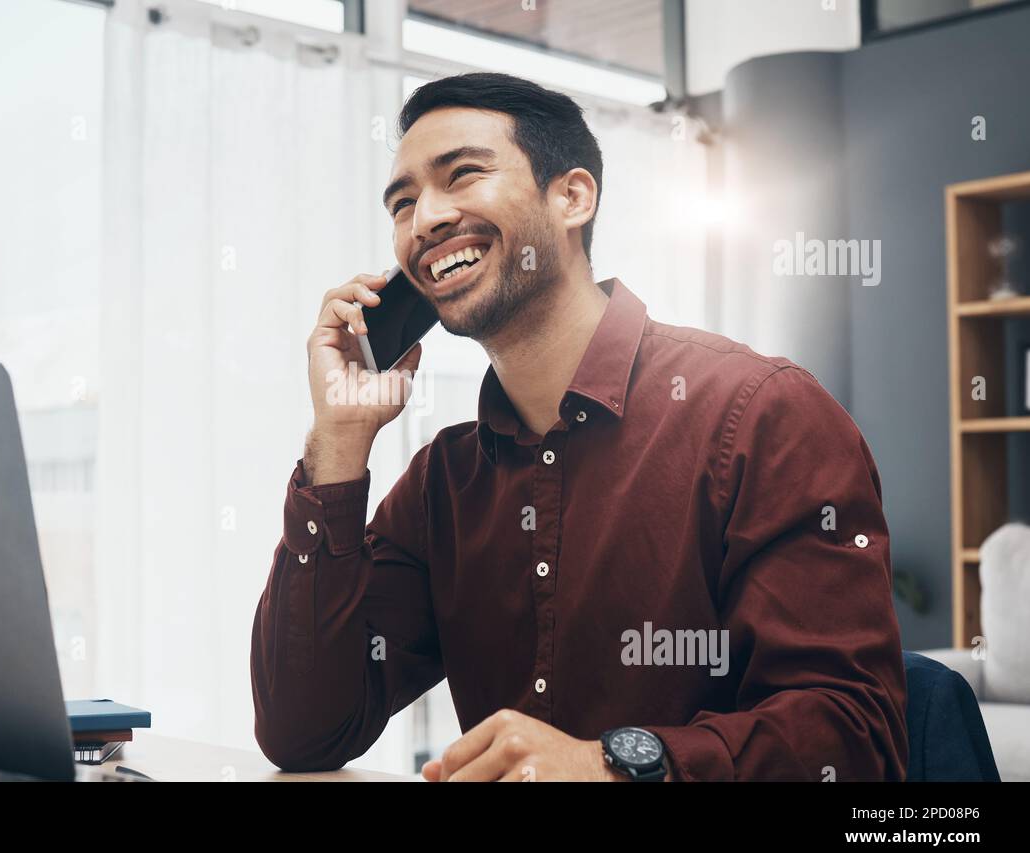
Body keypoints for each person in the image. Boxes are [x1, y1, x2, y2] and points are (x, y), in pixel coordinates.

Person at [250, 72, 908, 782]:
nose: (425, 221)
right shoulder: (444, 483)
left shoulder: (763, 415)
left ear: (572, 196)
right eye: (402, 203)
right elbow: (303, 732)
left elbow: (854, 739)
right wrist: (339, 438)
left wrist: (616, 767)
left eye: (462, 174)